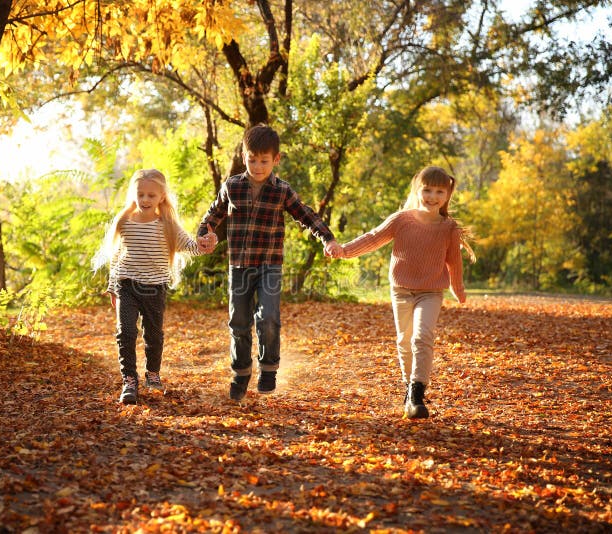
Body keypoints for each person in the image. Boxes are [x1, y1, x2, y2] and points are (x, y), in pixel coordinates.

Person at [197, 124, 343, 401]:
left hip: (269, 266)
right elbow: (212, 215)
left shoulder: (282, 191)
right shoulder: (232, 186)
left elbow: (306, 215)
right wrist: (205, 234)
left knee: (268, 318)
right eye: (252, 159)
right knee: (238, 322)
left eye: (264, 161)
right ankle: (240, 373)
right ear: (244, 155)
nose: (258, 166)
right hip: (239, 265)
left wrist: (328, 239)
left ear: (276, 159)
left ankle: (268, 368)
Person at [333, 165, 475, 419]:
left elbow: (454, 260)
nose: (432, 197)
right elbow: (373, 238)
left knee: (422, 337)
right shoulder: (402, 220)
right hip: (401, 289)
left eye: (439, 192)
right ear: (418, 190)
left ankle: (418, 394)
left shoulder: (448, 227)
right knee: (404, 340)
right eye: (427, 190)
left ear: (447, 195)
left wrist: (458, 288)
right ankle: (408, 387)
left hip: (430, 292)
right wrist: (345, 250)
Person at [93, 169, 212, 404]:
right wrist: (112, 287)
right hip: (126, 285)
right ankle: (129, 380)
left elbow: (191, 247)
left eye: (151, 195)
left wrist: (205, 244)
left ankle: (153, 373)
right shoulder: (125, 220)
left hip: (155, 288)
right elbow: (116, 256)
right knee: (125, 332)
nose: (145, 200)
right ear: (134, 194)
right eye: (141, 194)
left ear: (162, 197)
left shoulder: (167, 224)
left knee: (154, 335)